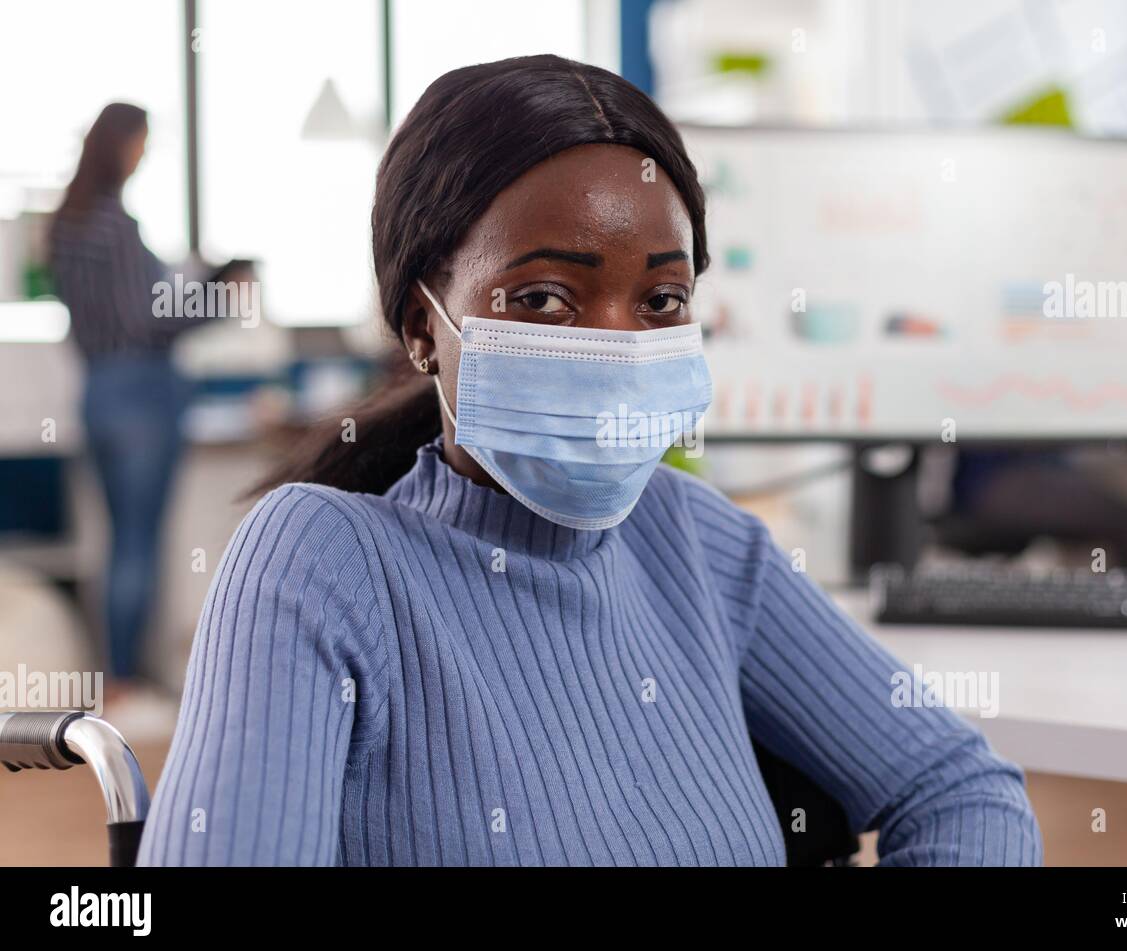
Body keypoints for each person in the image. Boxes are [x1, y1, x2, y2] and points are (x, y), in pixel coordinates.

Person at [139, 56, 1041, 866]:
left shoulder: (700, 544)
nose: (616, 348)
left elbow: (965, 793)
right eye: (544, 297)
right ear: (424, 326)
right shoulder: (322, 559)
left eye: (660, 299)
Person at [49, 103, 215, 729]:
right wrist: (218, 295)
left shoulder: (65, 227)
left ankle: (117, 681)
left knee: (121, 543)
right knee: (139, 545)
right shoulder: (116, 226)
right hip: (142, 394)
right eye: (141, 144)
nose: (143, 156)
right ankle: (123, 685)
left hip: (96, 392)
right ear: (119, 147)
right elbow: (144, 321)